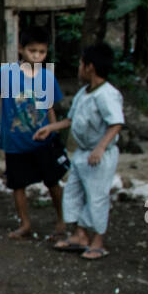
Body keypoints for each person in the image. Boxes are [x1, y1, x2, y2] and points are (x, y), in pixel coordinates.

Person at [0, 27, 69, 240]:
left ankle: (62, 220)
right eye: (32, 51)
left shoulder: (47, 77)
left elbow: (49, 109)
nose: (37, 56)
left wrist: (54, 133)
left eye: (41, 52)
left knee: (53, 181)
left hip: (43, 140)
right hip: (14, 141)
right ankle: (25, 223)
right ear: (21, 49)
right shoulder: (6, 73)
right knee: (17, 184)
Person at [42, 42, 124, 261]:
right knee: (74, 192)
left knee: (96, 197)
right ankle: (80, 235)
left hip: (99, 154)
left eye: (81, 64)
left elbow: (116, 123)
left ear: (90, 67)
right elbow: (70, 119)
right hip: (83, 153)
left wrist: (100, 147)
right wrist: (50, 127)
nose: (78, 68)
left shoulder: (107, 94)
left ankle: (98, 241)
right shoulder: (84, 93)